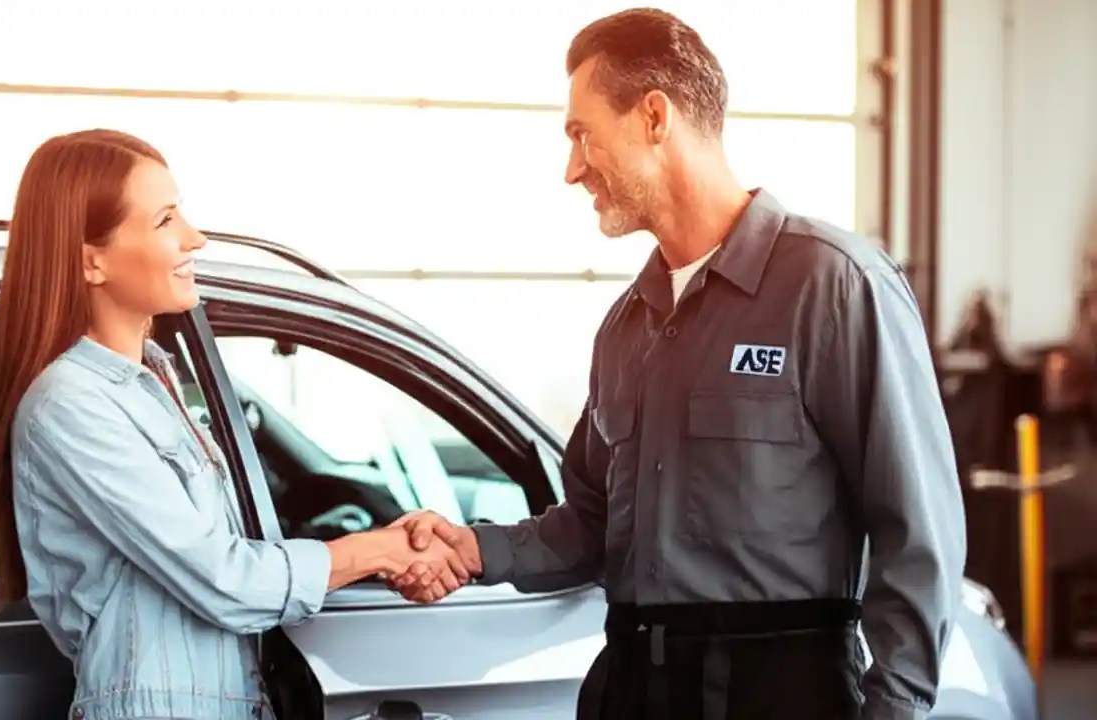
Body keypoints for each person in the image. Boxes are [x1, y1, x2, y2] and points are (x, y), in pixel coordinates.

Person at [389, 8, 967, 720]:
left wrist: (894, 709)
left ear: (654, 117)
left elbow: (919, 529)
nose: (572, 169)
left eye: (582, 134)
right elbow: (592, 527)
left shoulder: (833, 285)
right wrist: (472, 549)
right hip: (633, 687)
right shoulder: (627, 327)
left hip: (781, 693)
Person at [0, 129, 465, 720]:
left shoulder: (153, 382)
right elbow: (225, 580)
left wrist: (382, 554)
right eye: (164, 221)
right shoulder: (72, 404)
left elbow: (224, 554)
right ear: (92, 259)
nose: (194, 237)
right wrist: (376, 551)